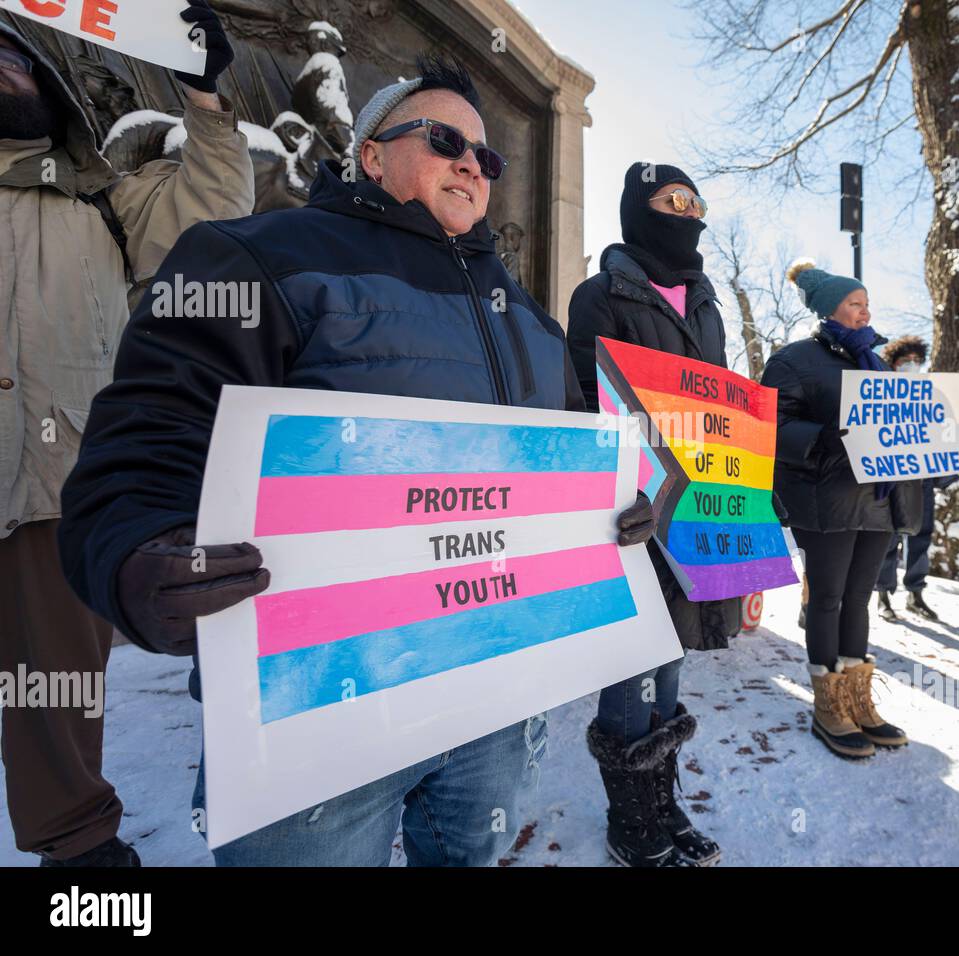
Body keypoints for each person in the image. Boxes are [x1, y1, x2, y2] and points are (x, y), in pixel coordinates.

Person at [58, 56, 657, 865]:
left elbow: (571, 462)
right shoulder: (253, 260)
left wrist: (615, 510)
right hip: (316, 722)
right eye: (446, 139)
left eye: (488, 155)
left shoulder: (532, 322)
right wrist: (137, 558)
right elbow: (145, 442)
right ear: (371, 154)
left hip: (497, 701)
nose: (472, 164)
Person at [0, 2, 254, 867]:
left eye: (16, 55)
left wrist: (205, 99)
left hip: (52, 478)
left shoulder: (107, 202)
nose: (3, 67)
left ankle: (79, 855)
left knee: (51, 689)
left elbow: (215, 203)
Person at [567, 162, 739, 867]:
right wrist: (616, 491)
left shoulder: (707, 304)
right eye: (673, 200)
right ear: (640, 210)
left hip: (693, 514)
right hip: (632, 516)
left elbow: (722, 405)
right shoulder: (600, 295)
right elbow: (580, 400)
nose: (688, 211)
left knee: (669, 665)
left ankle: (663, 806)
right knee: (631, 669)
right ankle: (630, 823)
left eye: (694, 201)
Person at [760, 261, 922, 759]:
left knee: (859, 599)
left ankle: (858, 700)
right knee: (826, 599)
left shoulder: (877, 365)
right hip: (827, 498)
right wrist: (821, 439)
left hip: (879, 502)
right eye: (855, 303)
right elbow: (768, 424)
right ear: (830, 307)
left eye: (866, 303)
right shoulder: (795, 361)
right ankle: (828, 705)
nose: (864, 311)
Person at [874, 335, 943, 624]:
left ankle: (916, 593)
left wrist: (944, 470)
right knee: (889, 539)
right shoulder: (880, 393)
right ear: (893, 363)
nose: (912, 366)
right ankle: (883, 594)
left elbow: (945, 434)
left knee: (921, 537)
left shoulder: (933, 394)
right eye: (905, 361)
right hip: (891, 478)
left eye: (917, 361)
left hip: (922, 479)